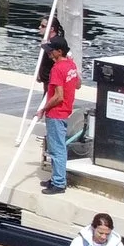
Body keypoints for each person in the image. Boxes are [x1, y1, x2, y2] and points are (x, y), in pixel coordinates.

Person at [41, 34, 80, 193]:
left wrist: (44, 108)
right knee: (57, 147)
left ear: (59, 51)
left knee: (57, 149)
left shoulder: (57, 68)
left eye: (51, 51)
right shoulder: (71, 65)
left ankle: (59, 183)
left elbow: (58, 96)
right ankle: (56, 177)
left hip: (56, 113)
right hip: (65, 111)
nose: (49, 54)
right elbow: (77, 85)